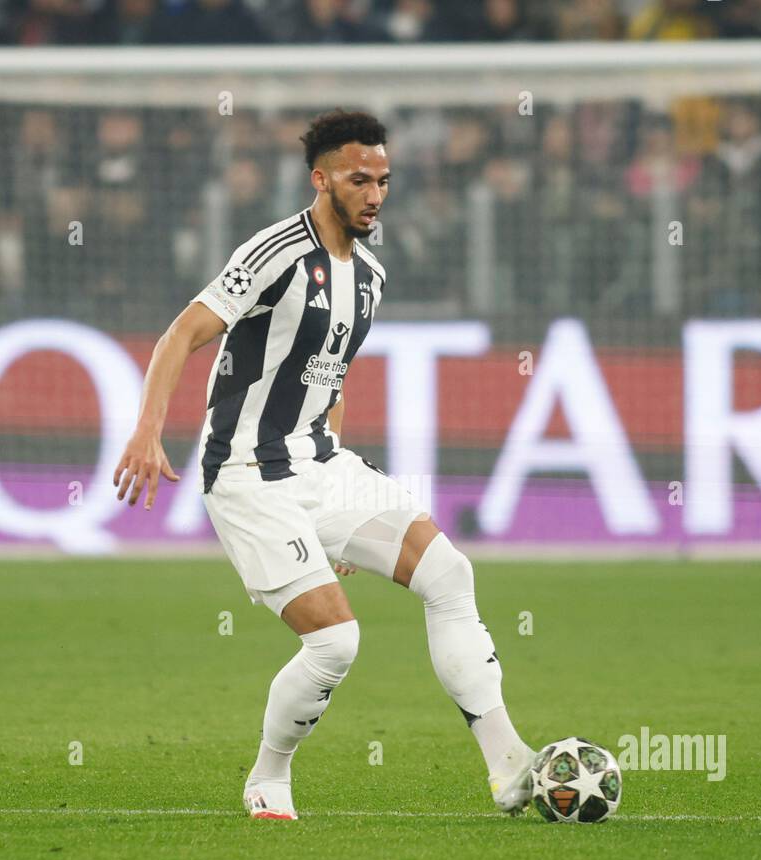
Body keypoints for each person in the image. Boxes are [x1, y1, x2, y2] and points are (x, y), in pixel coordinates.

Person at [113, 109, 536, 820]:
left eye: (384, 181)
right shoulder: (275, 251)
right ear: (322, 179)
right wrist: (146, 432)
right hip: (247, 472)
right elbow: (181, 334)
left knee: (449, 572)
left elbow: (327, 376)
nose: (374, 194)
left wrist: (335, 514)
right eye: (358, 179)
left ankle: (509, 766)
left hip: (320, 465)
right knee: (337, 640)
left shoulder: (369, 274)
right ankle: (268, 777)